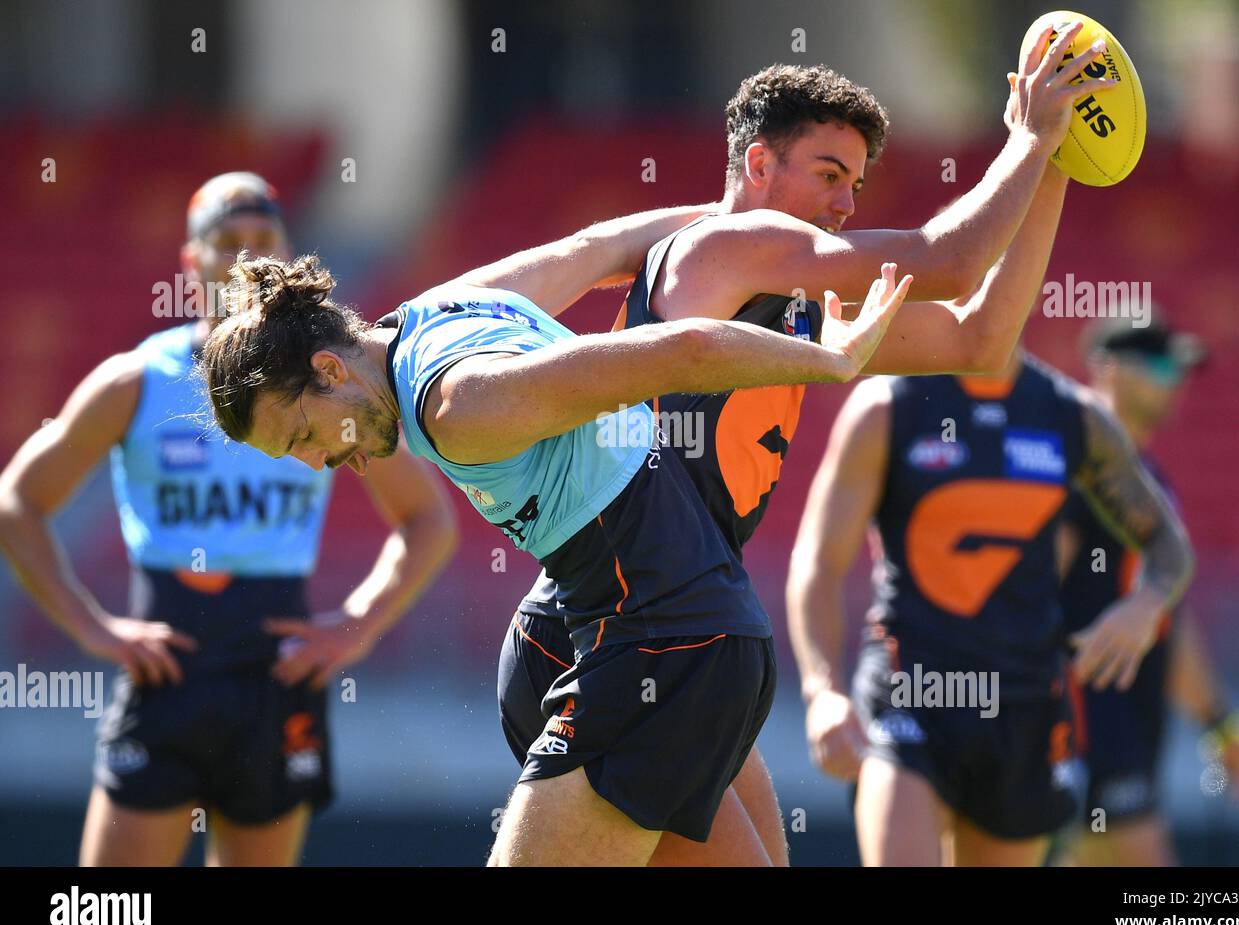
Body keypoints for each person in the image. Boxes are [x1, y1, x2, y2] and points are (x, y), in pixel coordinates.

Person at [501, 30, 1114, 866]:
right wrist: (1029, 138)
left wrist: (1058, 165)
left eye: (856, 186)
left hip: (657, 629)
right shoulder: (729, 246)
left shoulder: (788, 304)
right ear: (757, 165)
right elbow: (948, 263)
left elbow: (978, 340)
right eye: (829, 175)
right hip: (612, 631)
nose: (846, 205)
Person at [198, 192, 914, 864]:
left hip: (659, 647)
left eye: (302, 436)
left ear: (329, 370)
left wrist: (833, 360)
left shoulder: (459, 405)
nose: (319, 463)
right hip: (691, 638)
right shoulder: (437, 307)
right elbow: (605, 244)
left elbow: (686, 350)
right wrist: (735, 216)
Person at [0, 172, 458, 866]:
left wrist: (357, 627)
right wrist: (90, 627)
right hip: (165, 685)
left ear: (284, 248)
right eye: (226, 242)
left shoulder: (326, 389)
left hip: (277, 688)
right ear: (192, 263)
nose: (243, 257)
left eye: (261, 239)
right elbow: (18, 503)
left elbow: (428, 519)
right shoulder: (136, 381)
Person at [787, 339, 1195, 866]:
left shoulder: (1070, 415)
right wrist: (823, 690)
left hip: (1022, 707)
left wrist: (1144, 608)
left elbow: (1168, 545)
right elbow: (817, 562)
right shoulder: (890, 406)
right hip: (910, 696)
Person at [1057, 315, 1239, 866]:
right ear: (1108, 370)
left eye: (1179, 370)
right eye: (1160, 367)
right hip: (1077, 739)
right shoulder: (1072, 466)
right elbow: (1027, 596)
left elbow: (1165, 621)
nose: (1175, 381)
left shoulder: (1149, 480)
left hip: (1129, 741)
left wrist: (1221, 725)